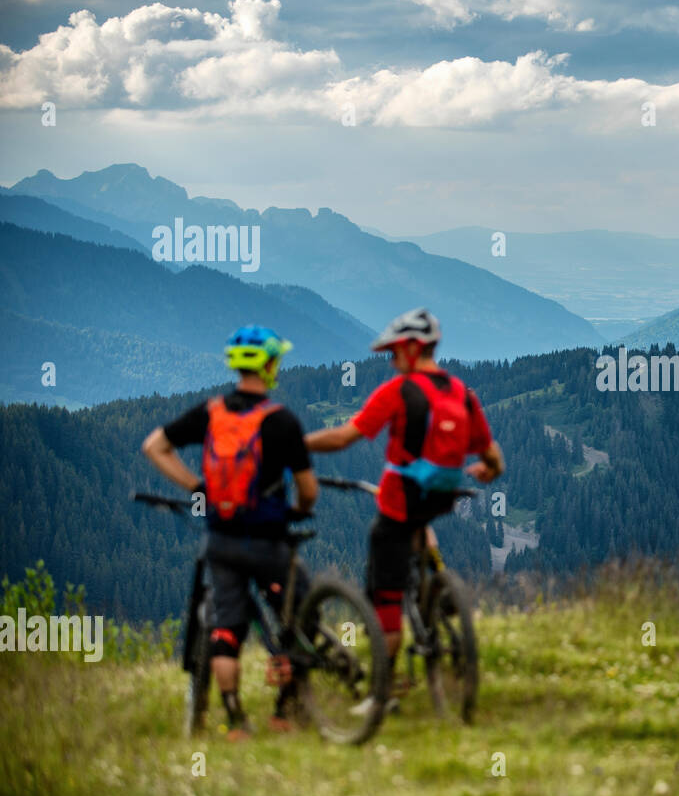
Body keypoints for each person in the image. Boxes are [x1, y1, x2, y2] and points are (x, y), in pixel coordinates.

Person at [305, 308, 504, 685]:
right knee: (420, 523)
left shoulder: (398, 391)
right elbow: (491, 456)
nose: (392, 360)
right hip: (442, 494)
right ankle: (438, 582)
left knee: (386, 590)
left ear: (413, 349)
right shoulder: (461, 393)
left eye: (395, 352)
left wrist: (297, 445)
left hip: (401, 499)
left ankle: (385, 685)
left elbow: (345, 436)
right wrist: (488, 471)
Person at [142, 325, 318, 740]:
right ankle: (284, 711)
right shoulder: (282, 422)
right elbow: (308, 489)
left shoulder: (210, 413)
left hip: (221, 542)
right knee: (300, 612)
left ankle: (236, 723)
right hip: (269, 544)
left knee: (227, 628)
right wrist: (299, 509)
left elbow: (154, 446)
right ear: (271, 365)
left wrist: (196, 487)